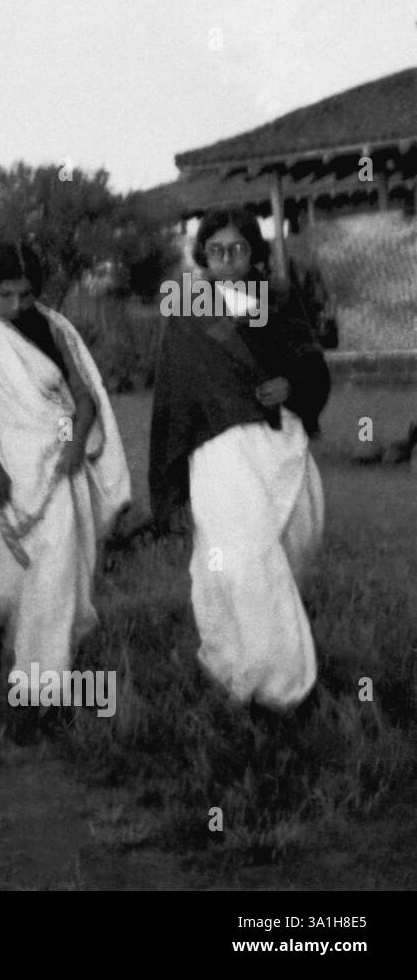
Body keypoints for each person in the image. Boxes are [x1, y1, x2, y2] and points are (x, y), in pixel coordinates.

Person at [0, 242, 131, 741]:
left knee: (54, 580)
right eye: (5, 294)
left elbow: (82, 394)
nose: (17, 305)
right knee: (2, 585)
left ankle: (39, 699)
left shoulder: (51, 326)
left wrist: (72, 445)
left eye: (26, 294)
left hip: (54, 467)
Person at [149, 208, 330, 713]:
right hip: (218, 449)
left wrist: (291, 385)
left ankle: (234, 662)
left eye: (238, 249)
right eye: (216, 251)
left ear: (255, 253)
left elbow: (309, 361)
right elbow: (174, 394)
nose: (227, 260)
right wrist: (175, 471)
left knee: (294, 544)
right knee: (243, 557)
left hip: (279, 440)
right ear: (202, 257)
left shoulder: (277, 299)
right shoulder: (185, 307)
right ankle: (282, 689)